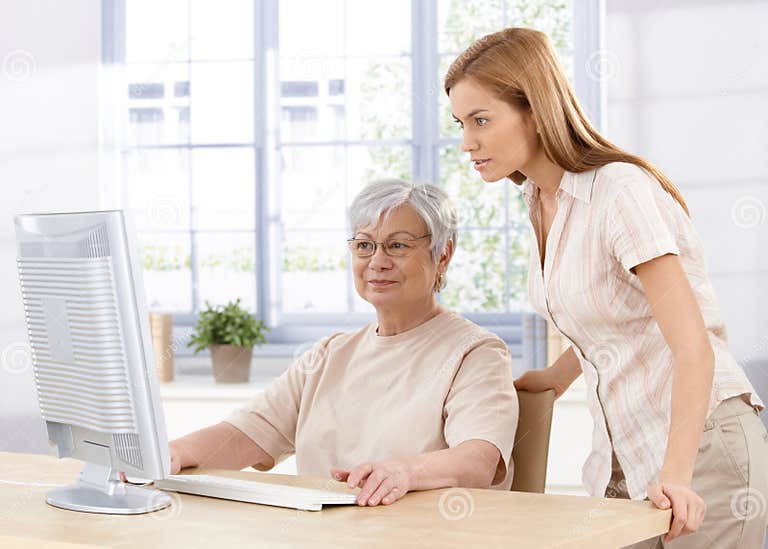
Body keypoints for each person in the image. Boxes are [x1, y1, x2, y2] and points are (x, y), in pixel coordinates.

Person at [445, 27, 767, 547]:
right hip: (627, 453)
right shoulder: (540, 203)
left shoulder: (619, 193)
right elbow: (612, 310)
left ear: (536, 110)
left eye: (481, 120)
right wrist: (556, 374)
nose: (467, 142)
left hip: (700, 450)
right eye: (461, 123)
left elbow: (694, 348)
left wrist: (678, 475)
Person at [153, 179, 518, 507]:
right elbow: (244, 435)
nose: (378, 261)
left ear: (443, 255)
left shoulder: (476, 353)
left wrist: (404, 473)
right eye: (364, 245)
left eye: (398, 246)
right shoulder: (330, 354)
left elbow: (478, 460)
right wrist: (173, 452)